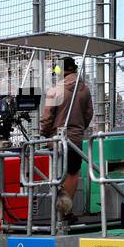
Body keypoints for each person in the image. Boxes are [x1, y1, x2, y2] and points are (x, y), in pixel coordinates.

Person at [39, 57, 93, 224]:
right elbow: (88, 114)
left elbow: (47, 117)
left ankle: (60, 208)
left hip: (56, 138)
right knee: (72, 172)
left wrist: (44, 132)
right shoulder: (85, 89)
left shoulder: (55, 90)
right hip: (75, 138)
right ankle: (66, 213)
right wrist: (78, 129)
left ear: (61, 71)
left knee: (56, 173)